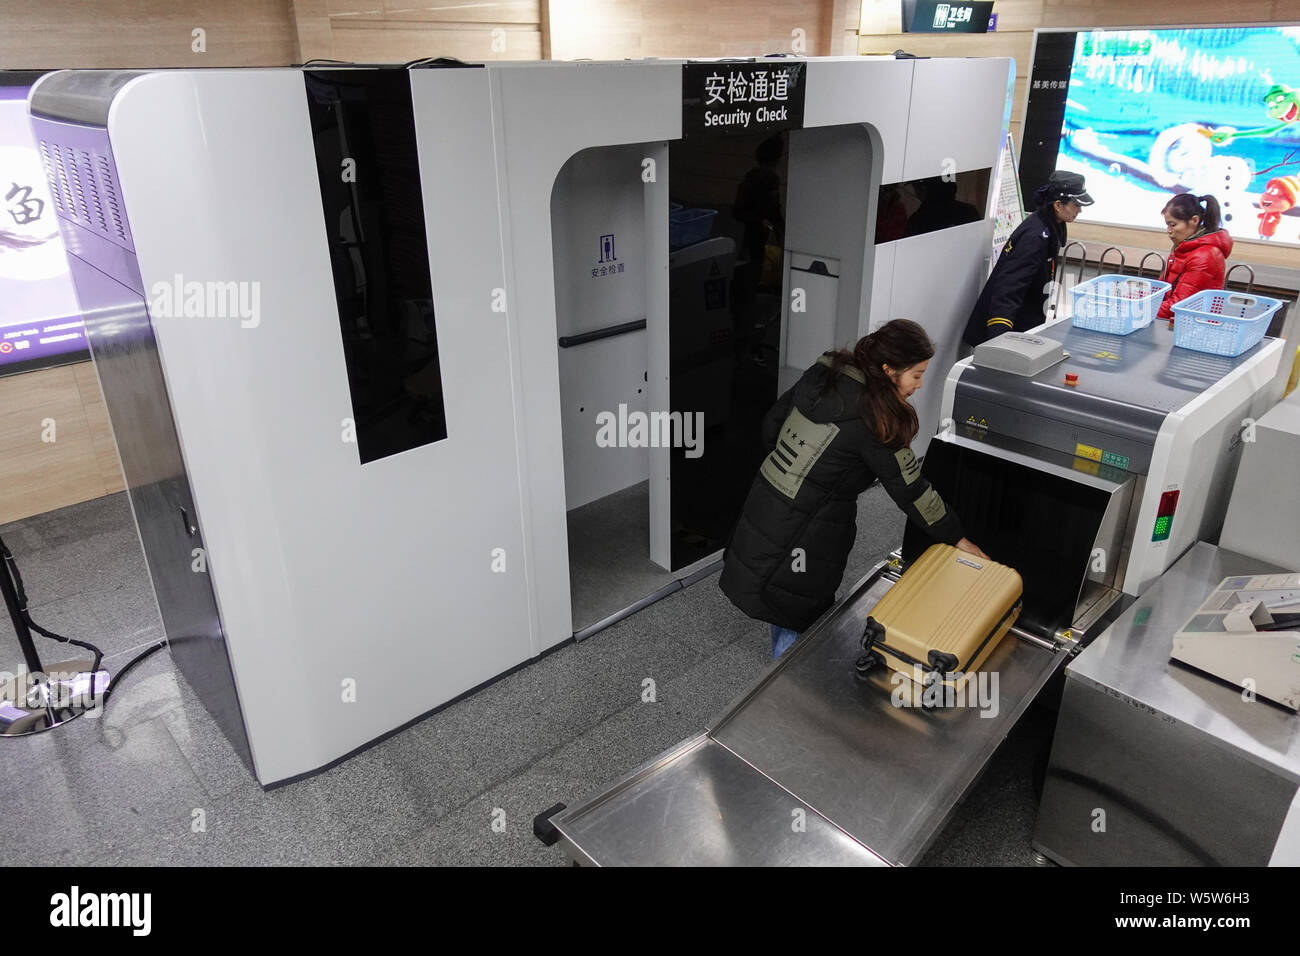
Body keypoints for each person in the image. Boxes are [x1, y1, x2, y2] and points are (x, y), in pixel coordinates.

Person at [719, 319, 989, 660]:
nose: (919, 385)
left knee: (781, 600)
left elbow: (772, 427)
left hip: (768, 503)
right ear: (889, 370)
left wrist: (803, 472)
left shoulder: (824, 374)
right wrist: (957, 537)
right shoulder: (876, 417)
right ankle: (786, 686)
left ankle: (782, 671)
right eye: (916, 375)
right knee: (798, 617)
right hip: (808, 532)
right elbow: (913, 491)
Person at [963, 170, 1093, 347]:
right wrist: (998, 341)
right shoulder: (1034, 237)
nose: (1080, 210)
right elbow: (1009, 287)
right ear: (1058, 205)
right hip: (1006, 329)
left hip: (1025, 322)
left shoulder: (1050, 227)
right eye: (1076, 205)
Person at [1157, 193, 1231, 323]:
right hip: (1175, 323)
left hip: (1195, 327)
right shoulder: (1182, 248)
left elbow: (1179, 305)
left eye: (1173, 225)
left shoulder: (1205, 256)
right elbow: (1160, 291)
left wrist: (1139, 308)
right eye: (1167, 225)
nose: (1168, 230)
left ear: (1194, 220)